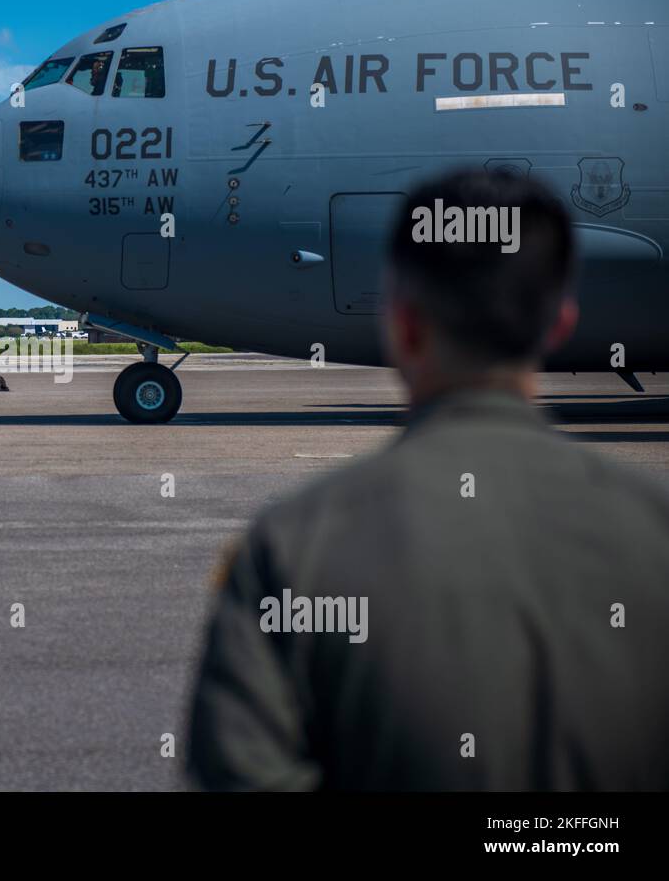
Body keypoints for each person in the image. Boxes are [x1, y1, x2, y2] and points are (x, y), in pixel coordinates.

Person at [187, 168, 669, 790]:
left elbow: (242, 773)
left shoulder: (293, 548)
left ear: (404, 325)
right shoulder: (651, 528)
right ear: (560, 323)